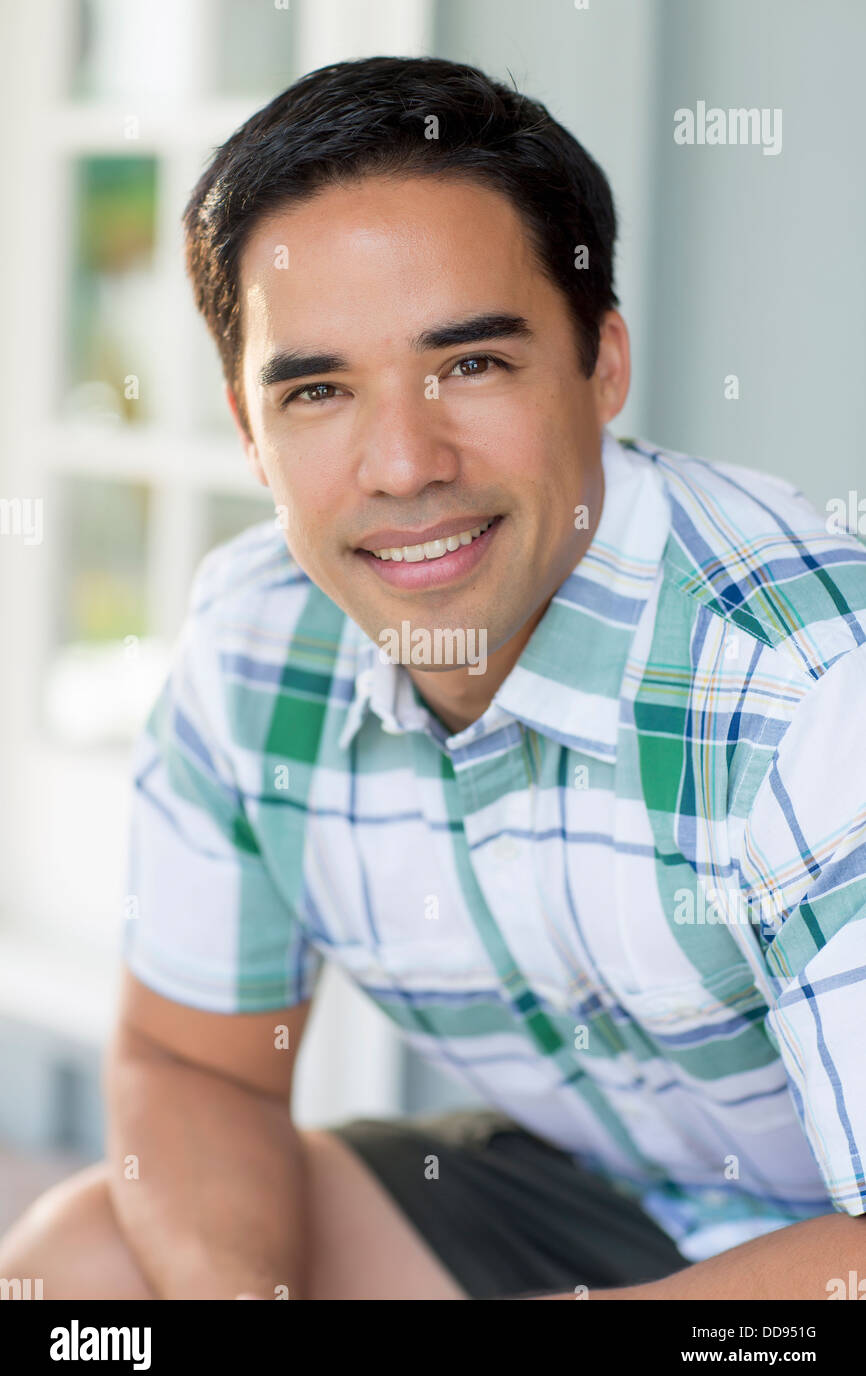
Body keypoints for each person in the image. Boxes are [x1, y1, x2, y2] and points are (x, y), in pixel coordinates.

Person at [2, 54, 865, 1301]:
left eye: (470, 365)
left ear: (601, 362)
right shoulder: (256, 639)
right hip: (593, 1206)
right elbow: (194, 1066)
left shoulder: (810, 690)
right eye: (317, 390)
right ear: (249, 433)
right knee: (78, 1270)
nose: (403, 464)